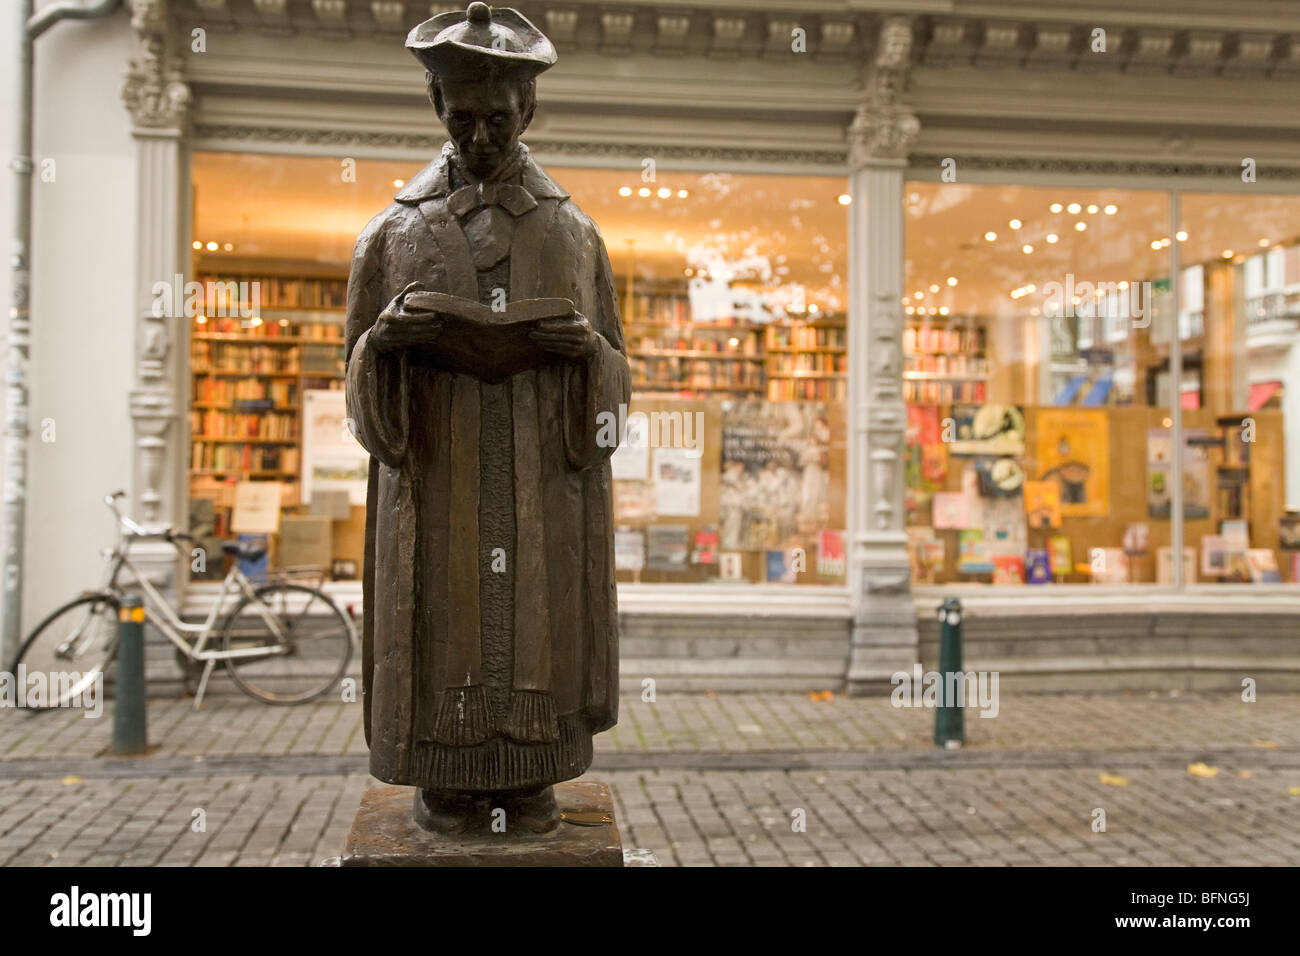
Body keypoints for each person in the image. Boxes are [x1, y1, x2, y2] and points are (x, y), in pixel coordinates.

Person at [344, 3, 629, 833]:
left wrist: (585, 354)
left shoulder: (575, 233)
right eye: (462, 119)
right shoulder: (391, 233)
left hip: (543, 486)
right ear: (437, 111)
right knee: (447, 620)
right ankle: (449, 778)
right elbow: (355, 378)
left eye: (497, 120)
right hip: (438, 483)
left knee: (536, 613)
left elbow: (616, 374)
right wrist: (389, 344)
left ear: (527, 113)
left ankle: (531, 775)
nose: (480, 139)